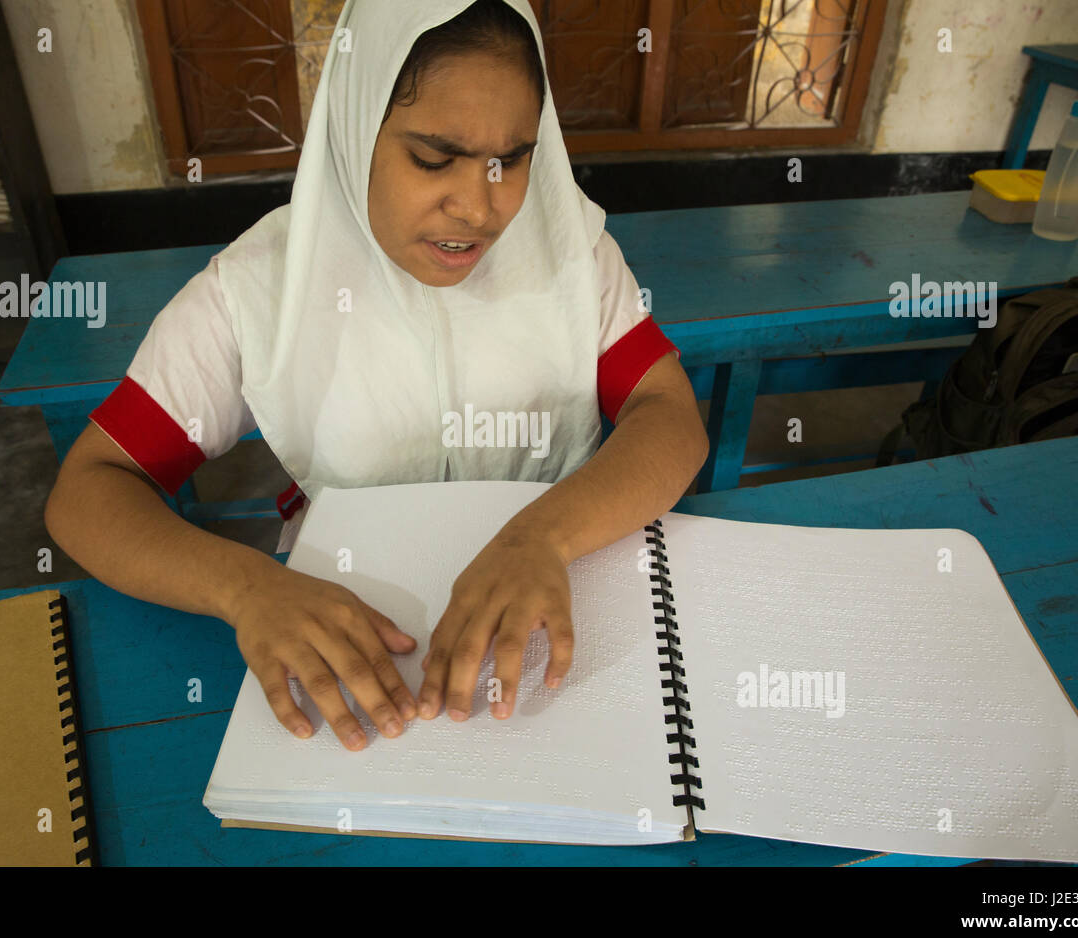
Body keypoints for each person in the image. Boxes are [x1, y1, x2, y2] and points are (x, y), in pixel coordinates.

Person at [45, 0, 707, 753]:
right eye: (432, 158)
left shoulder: (567, 249)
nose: (480, 207)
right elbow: (89, 490)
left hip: (565, 587)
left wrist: (546, 539)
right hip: (359, 627)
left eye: (512, 159)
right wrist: (244, 587)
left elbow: (669, 413)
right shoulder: (263, 291)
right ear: (357, 127)